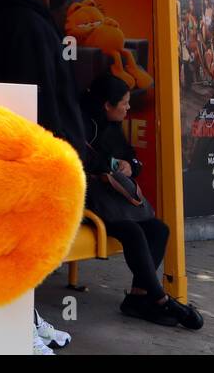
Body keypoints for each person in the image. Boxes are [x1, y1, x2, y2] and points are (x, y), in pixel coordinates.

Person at [0, 0, 86, 354]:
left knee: (28, 247)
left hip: (30, 149)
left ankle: (26, 318)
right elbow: (36, 95)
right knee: (21, 248)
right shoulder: (23, 21)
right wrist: (51, 147)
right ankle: (15, 329)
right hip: (28, 153)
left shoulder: (28, 18)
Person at [80, 74, 203, 329]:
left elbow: (133, 158)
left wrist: (129, 166)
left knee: (159, 229)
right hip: (90, 202)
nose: (128, 108)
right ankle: (160, 299)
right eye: (123, 103)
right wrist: (108, 166)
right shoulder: (83, 124)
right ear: (107, 105)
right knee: (134, 232)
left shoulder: (113, 127)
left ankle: (138, 298)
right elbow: (82, 160)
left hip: (116, 201)